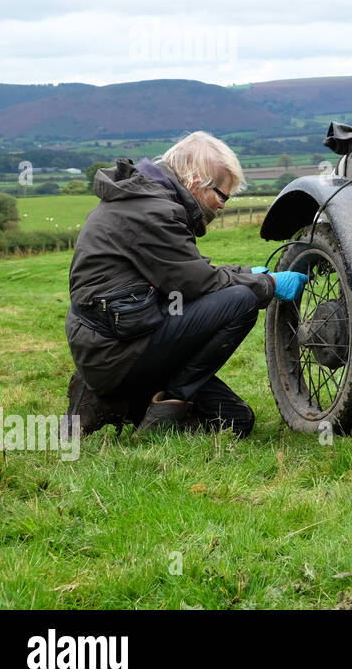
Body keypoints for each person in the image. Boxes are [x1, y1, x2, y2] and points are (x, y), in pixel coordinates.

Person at [62, 131, 308, 439]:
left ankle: (109, 399)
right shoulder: (153, 210)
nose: (223, 206)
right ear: (196, 183)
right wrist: (266, 283)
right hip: (118, 350)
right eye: (223, 195)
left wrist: (247, 272)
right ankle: (164, 406)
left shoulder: (146, 199)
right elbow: (197, 283)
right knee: (243, 301)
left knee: (236, 421)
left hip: (120, 337)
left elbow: (182, 272)